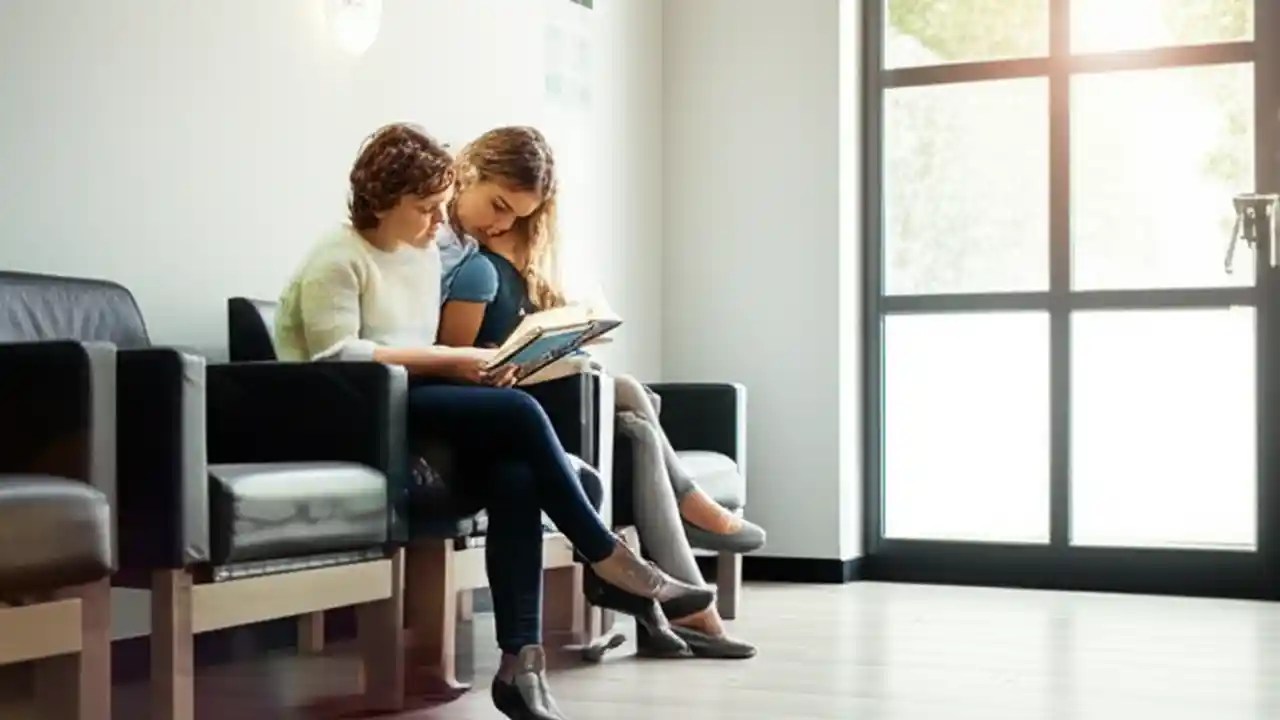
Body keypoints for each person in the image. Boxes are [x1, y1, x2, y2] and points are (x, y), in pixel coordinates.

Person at [274, 123, 712, 720]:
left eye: (439, 208)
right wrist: (460, 360)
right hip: (349, 410)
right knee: (519, 413)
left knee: (517, 475)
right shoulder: (337, 256)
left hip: (408, 401)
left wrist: (491, 364)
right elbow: (337, 358)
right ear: (382, 200)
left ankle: (520, 666)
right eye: (426, 209)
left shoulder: (422, 252)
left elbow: (416, 344)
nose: (438, 223)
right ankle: (607, 558)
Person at [436, 126, 764, 659]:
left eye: (515, 220)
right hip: (501, 407)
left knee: (633, 421)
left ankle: (676, 599)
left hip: (534, 401)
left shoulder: (485, 252)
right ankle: (682, 585)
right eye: (498, 209)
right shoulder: (452, 254)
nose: (500, 225)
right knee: (630, 404)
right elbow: (449, 353)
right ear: (468, 173)